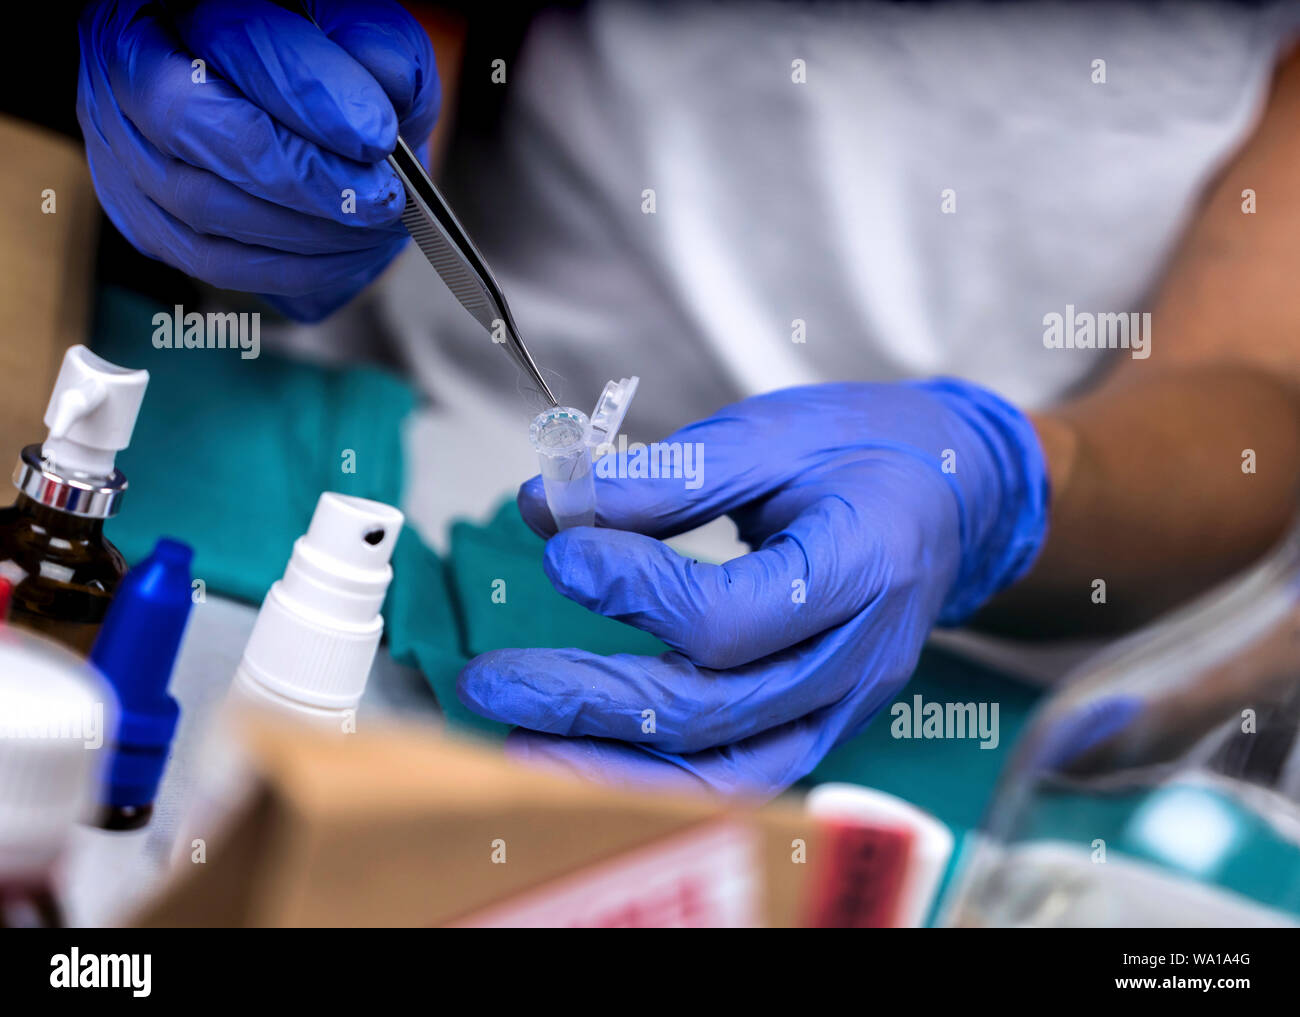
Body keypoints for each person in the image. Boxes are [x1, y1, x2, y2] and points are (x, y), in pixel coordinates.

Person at [77, 0, 1300, 794]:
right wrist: (248, 134)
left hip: (955, 675)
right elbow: (394, 59)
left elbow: (1259, 393)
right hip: (413, 430)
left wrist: (1003, 489)